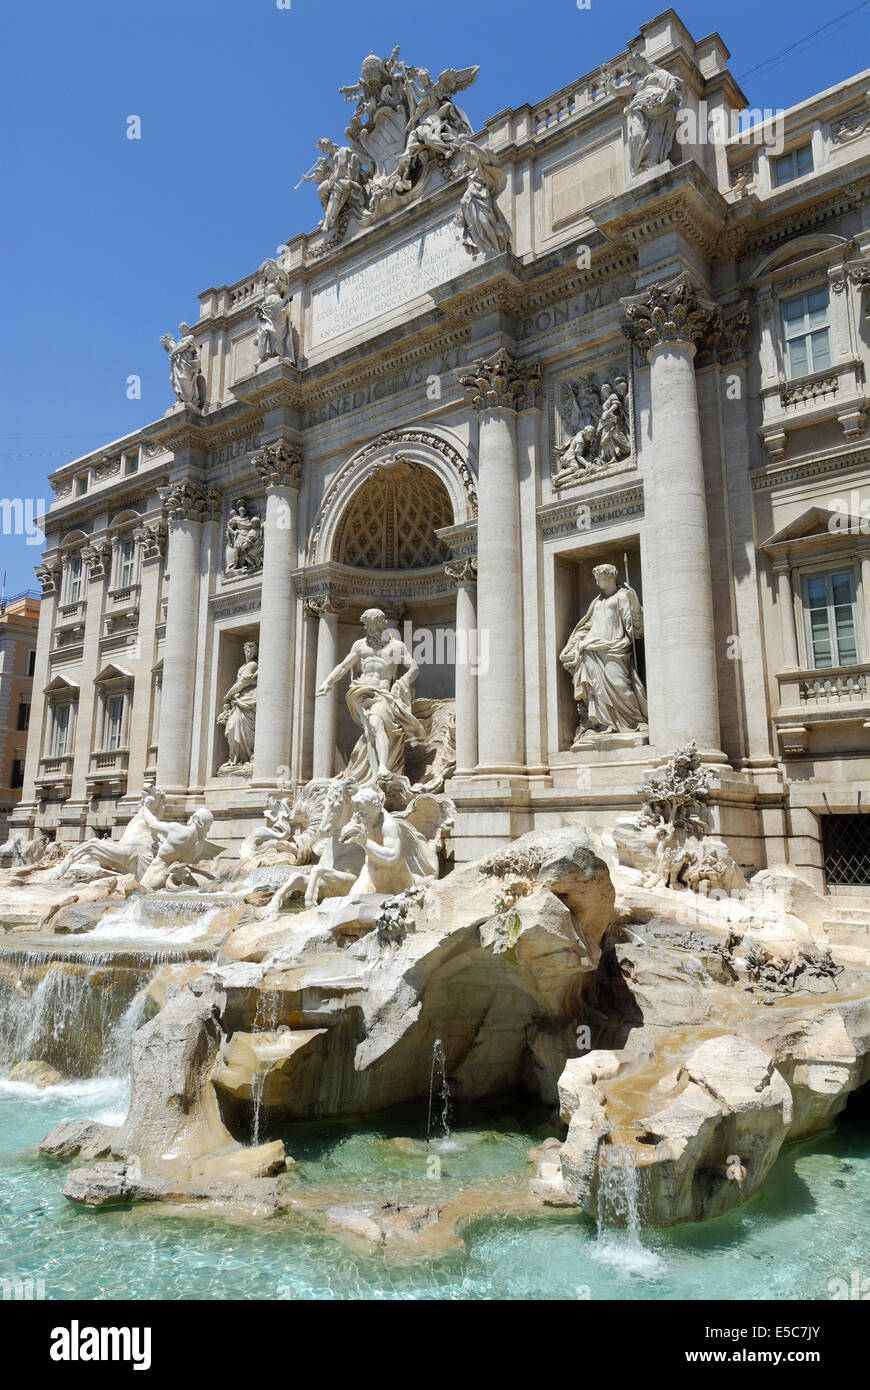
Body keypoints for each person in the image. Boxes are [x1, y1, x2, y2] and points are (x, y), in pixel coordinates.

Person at [560, 564, 647, 744]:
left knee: (620, 684)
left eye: (599, 576)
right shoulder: (597, 601)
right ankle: (604, 724)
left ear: (610, 576)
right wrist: (572, 646)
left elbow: (635, 627)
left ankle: (635, 720)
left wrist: (634, 602)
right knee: (596, 689)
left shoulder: (622, 596)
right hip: (592, 649)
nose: (596, 580)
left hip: (615, 647)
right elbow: (586, 626)